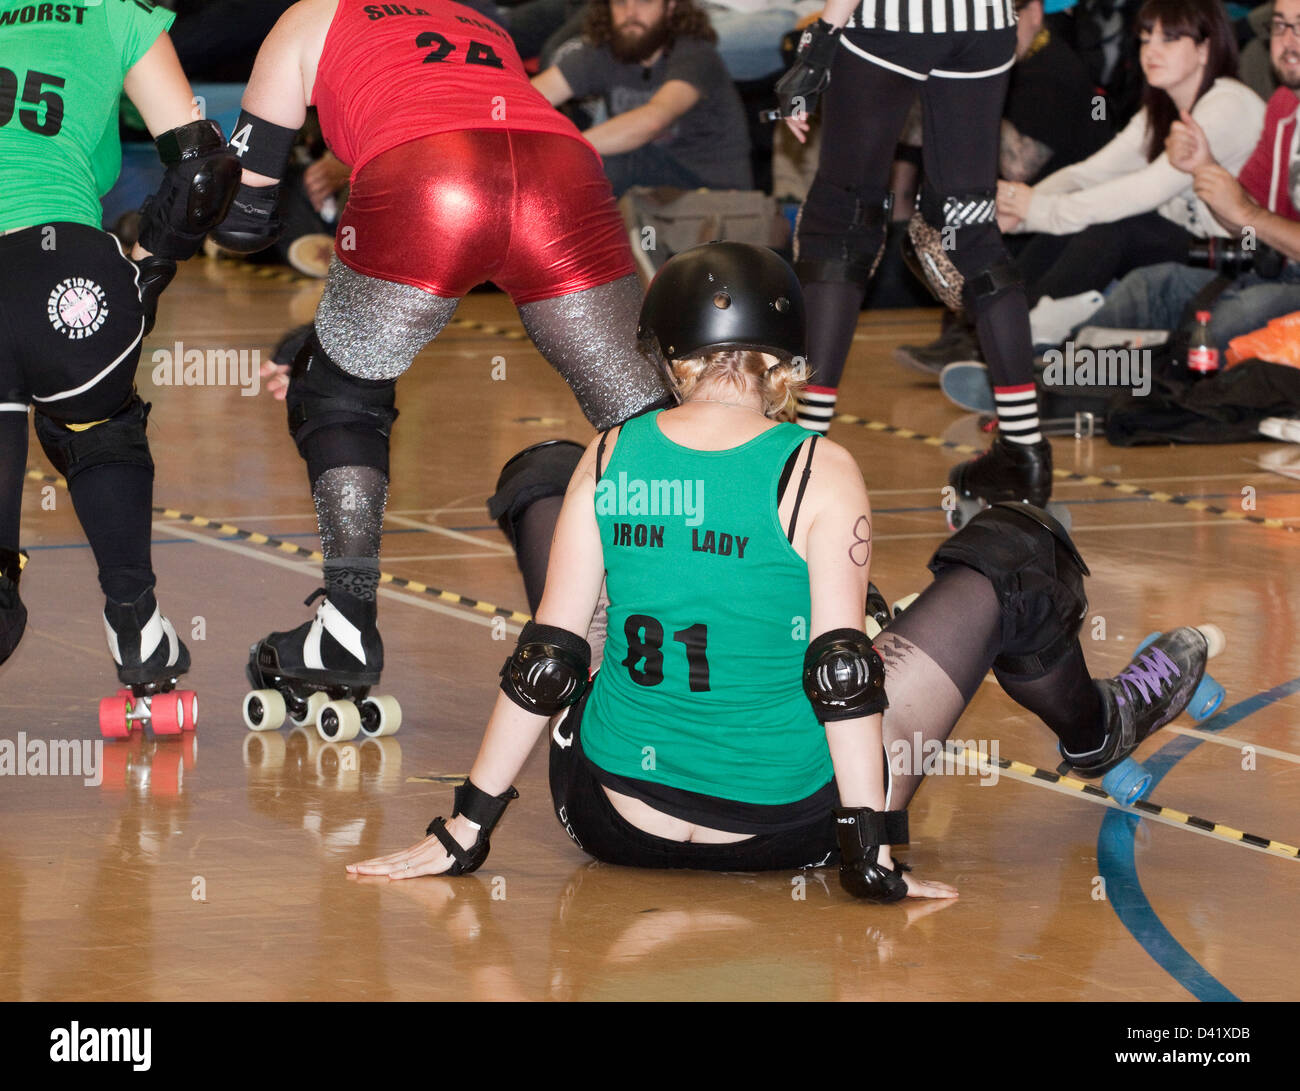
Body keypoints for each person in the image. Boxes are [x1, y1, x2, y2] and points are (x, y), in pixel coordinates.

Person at [349, 242, 1214, 900]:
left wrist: (465, 829)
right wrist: (868, 853)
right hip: (786, 827)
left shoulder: (611, 451)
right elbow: (839, 672)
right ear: (785, 361)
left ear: (671, 357)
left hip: (610, 817)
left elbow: (547, 659)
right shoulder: (817, 466)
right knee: (1018, 545)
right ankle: (1098, 725)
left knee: (543, 471)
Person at [216, 0, 675, 738]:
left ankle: (347, 623)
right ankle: (723, 601)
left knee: (339, 392)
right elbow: (489, 178)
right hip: (561, 173)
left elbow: (244, 223)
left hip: (429, 174)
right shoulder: (478, 20)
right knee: (649, 417)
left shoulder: (309, 17)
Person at [0, 0, 239, 711]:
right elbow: (201, 168)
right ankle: (135, 625)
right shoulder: (113, 12)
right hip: (65, 278)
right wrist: (145, 269)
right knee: (98, 422)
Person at [773, 0, 1058, 519]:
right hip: (987, 21)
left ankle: (801, 453)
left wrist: (821, 39)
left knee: (840, 222)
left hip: (894, 18)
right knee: (970, 229)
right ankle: (1024, 452)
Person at [996, 0, 1264, 346]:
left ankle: (1014, 339)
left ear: (1204, 49)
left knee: (1116, 224)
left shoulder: (1229, 105)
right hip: (1186, 243)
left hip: (1237, 254)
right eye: (1146, 37)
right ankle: (989, 326)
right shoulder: (1162, 108)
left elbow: (1143, 191)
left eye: (1169, 39)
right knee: (1081, 212)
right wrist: (1018, 207)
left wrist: (1035, 210)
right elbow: (1087, 175)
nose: (1151, 50)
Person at [892, 0, 1114, 375]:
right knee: (927, 231)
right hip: (1016, 205)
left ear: (1036, 14)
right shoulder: (1000, 62)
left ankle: (983, 338)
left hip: (1062, 207)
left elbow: (1018, 166)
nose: (998, 27)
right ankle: (969, 332)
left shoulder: (1051, 69)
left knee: (985, 240)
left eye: (1010, 16)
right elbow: (917, 135)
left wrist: (966, 102)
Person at [532, 0, 754, 196]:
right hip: (652, 197)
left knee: (612, 162)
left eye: (645, 1)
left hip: (714, 197)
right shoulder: (602, 54)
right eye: (620, 3)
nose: (630, 13)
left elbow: (653, 121)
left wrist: (566, 150)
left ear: (671, 6)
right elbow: (525, 100)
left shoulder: (695, 55)